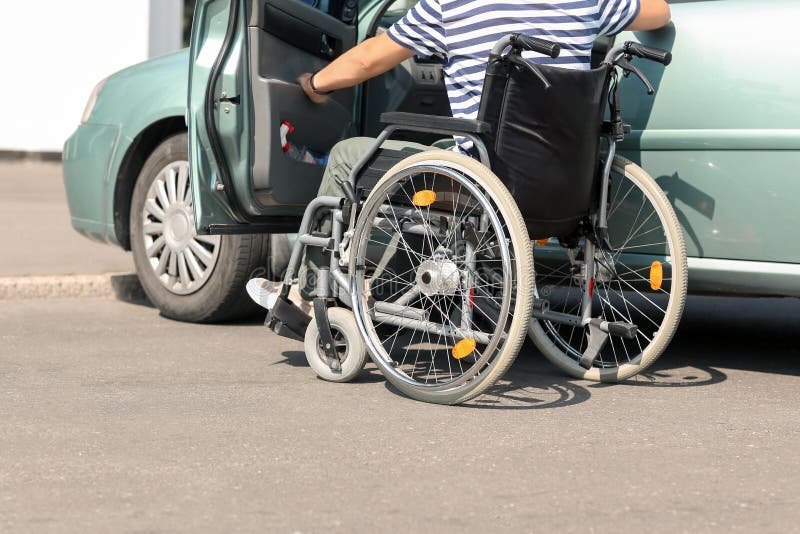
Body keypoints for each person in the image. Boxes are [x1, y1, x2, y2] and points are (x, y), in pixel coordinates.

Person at [247, 0, 671, 310]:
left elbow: (367, 59)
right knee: (436, 155)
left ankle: (306, 295)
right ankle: (389, 295)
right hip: (564, 182)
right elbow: (660, 12)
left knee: (346, 156)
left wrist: (316, 85)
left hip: (483, 180)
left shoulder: (449, 6)